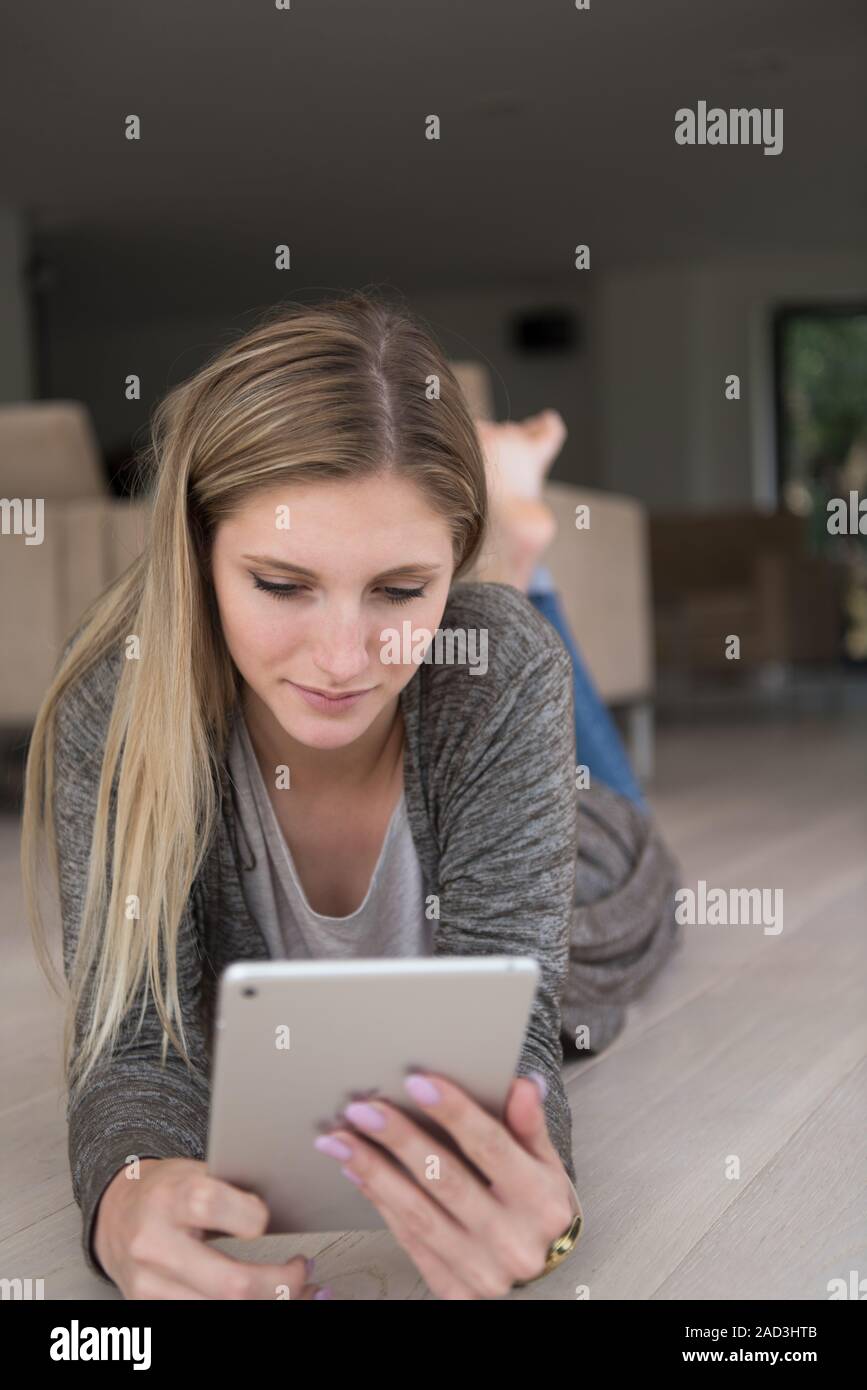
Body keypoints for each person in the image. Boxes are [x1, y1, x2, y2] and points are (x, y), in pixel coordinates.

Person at [21, 291, 679, 1302]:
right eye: (281, 584)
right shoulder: (117, 694)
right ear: (196, 555)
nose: (341, 661)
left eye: (401, 590)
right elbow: (136, 1041)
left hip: (585, 857)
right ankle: (527, 565)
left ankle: (531, 573)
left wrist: (541, 1204)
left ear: (454, 568)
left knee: (602, 775)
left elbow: (521, 1032)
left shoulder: (490, 669)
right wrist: (122, 1198)